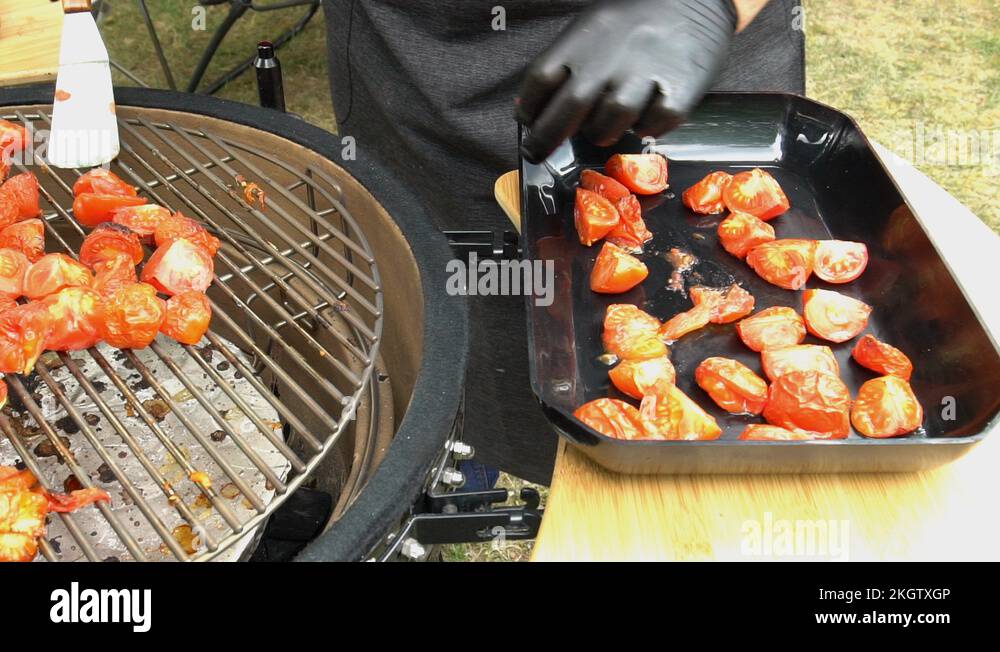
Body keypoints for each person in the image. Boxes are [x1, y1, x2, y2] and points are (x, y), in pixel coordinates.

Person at [322, 0, 804, 485]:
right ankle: (457, 471)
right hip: (432, 67)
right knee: (458, 335)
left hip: (691, 59)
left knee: (702, 480)